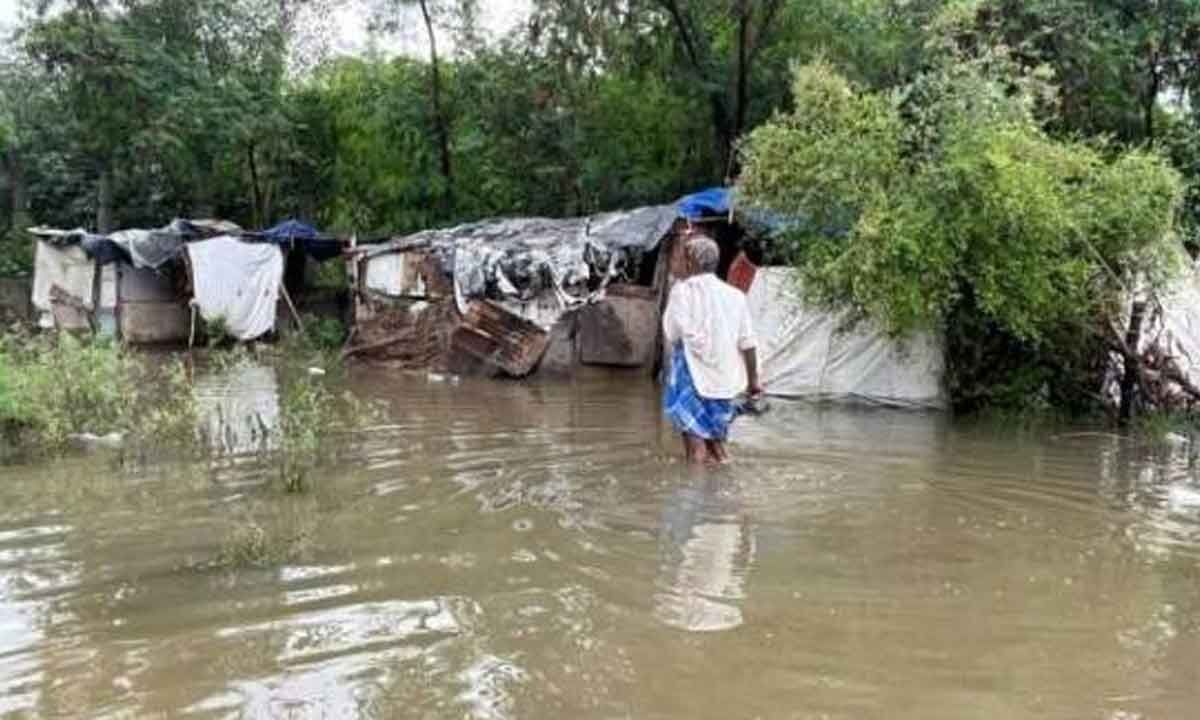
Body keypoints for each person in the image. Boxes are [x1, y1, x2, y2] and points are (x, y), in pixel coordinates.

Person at [662, 232, 761, 465]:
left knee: (696, 452)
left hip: (691, 377)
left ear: (690, 262)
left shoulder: (682, 291)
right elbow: (748, 344)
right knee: (718, 451)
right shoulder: (736, 297)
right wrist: (753, 381)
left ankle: (699, 497)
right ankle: (724, 493)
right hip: (723, 381)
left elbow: (673, 333)